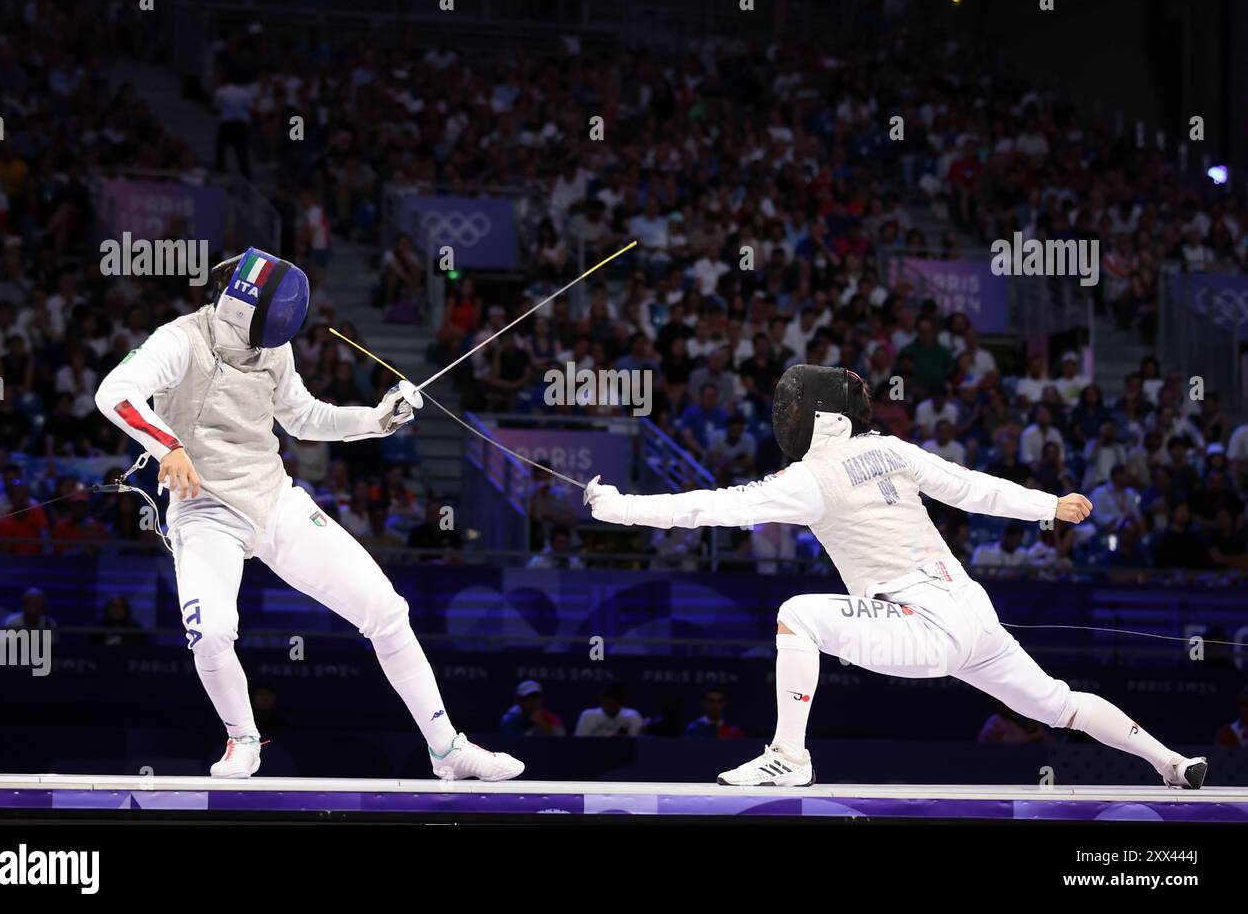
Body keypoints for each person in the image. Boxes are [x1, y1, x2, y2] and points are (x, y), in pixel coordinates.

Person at [585, 365, 1208, 789]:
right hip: (972, 611)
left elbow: (710, 507)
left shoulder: (809, 479)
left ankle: (789, 757)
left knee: (798, 615)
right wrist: (1048, 505)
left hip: (920, 624)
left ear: (815, 416)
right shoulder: (891, 449)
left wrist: (619, 508)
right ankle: (1172, 763)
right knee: (1057, 703)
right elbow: (970, 488)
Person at [95, 248, 522, 782]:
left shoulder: (275, 350)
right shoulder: (180, 340)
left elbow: (302, 417)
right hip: (205, 510)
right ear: (241, 307)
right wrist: (168, 446)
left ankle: (447, 749)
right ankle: (243, 740)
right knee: (212, 632)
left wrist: (376, 419)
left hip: (273, 499)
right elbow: (115, 392)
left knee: (387, 611)